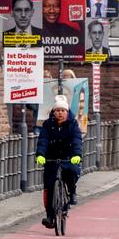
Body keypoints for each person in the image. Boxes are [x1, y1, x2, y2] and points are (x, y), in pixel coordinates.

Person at [35, 94, 83, 228]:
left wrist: (77, 154)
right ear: (53, 112)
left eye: (63, 111)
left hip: (68, 156)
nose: (60, 113)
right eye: (57, 111)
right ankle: (50, 216)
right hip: (51, 157)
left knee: (72, 172)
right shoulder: (47, 124)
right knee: (49, 186)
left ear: (67, 112)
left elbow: (76, 140)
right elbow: (43, 140)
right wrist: (40, 154)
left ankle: (72, 192)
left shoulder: (72, 124)